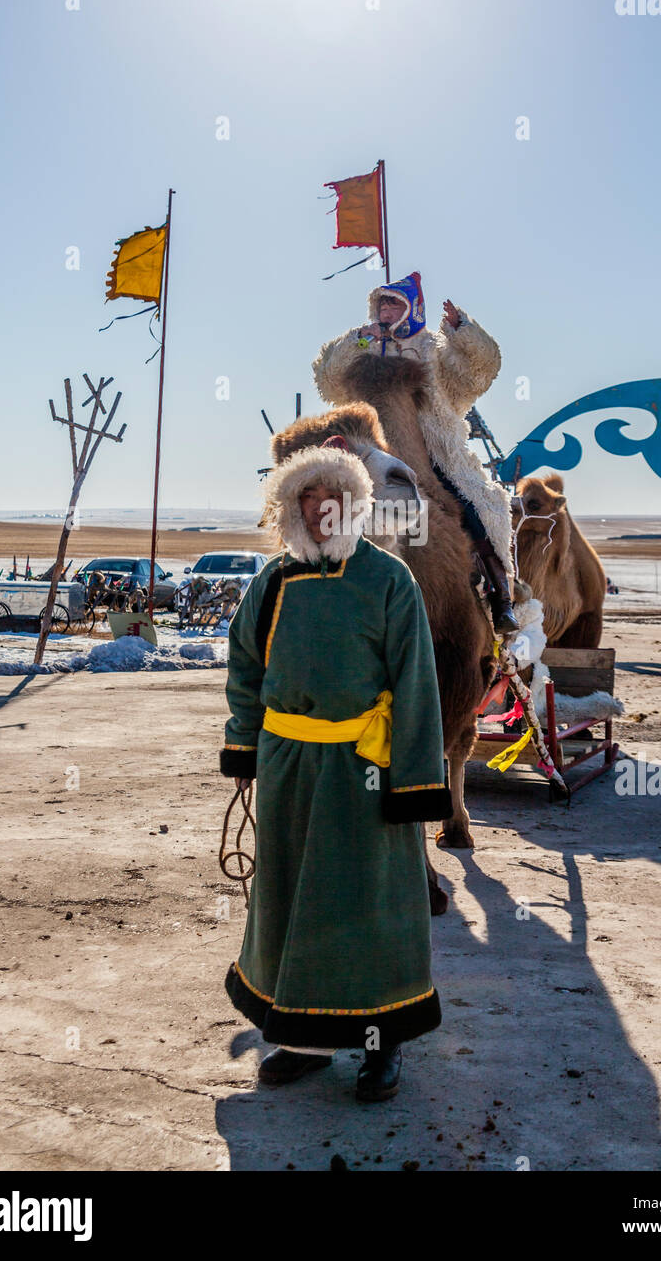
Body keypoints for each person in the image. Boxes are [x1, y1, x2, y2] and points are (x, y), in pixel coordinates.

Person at [220, 436, 452, 1102]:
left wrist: (414, 781)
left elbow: (415, 685)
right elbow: (245, 672)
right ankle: (302, 1040)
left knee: (370, 904)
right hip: (288, 765)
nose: (321, 510)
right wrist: (244, 748)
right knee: (295, 901)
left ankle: (382, 1046)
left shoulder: (387, 580)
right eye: (308, 498)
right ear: (292, 509)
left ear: (355, 505)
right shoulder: (272, 583)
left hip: (364, 769)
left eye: (334, 499)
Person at [312, 272, 519, 634]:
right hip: (375, 448)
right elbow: (329, 379)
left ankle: (500, 597)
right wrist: (361, 340)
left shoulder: (433, 350)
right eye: (382, 303)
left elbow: (480, 372)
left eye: (394, 302)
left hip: (435, 452)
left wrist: (462, 330)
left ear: (411, 307)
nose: (386, 309)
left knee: (479, 509)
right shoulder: (365, 348)